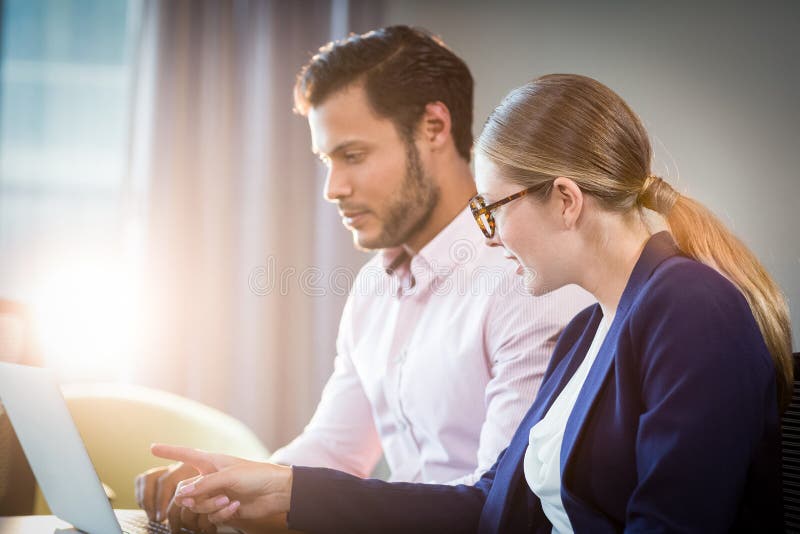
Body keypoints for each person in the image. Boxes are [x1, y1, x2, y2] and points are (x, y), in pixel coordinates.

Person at [151, 73, 791, 533]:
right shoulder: (586, 335)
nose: (490, 236)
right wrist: (289, 490)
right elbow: (491, 505)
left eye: (492, 210)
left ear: (565, 200)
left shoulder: (691, 306)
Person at [135, 28, 592, 532]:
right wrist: (223, 487)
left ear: (434, 127)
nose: (334, 189)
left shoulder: (526, 281)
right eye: (326, 161)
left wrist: (291, 494)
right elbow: (334, 447)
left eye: (352, 156)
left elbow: (499, 508)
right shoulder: (374, 287)